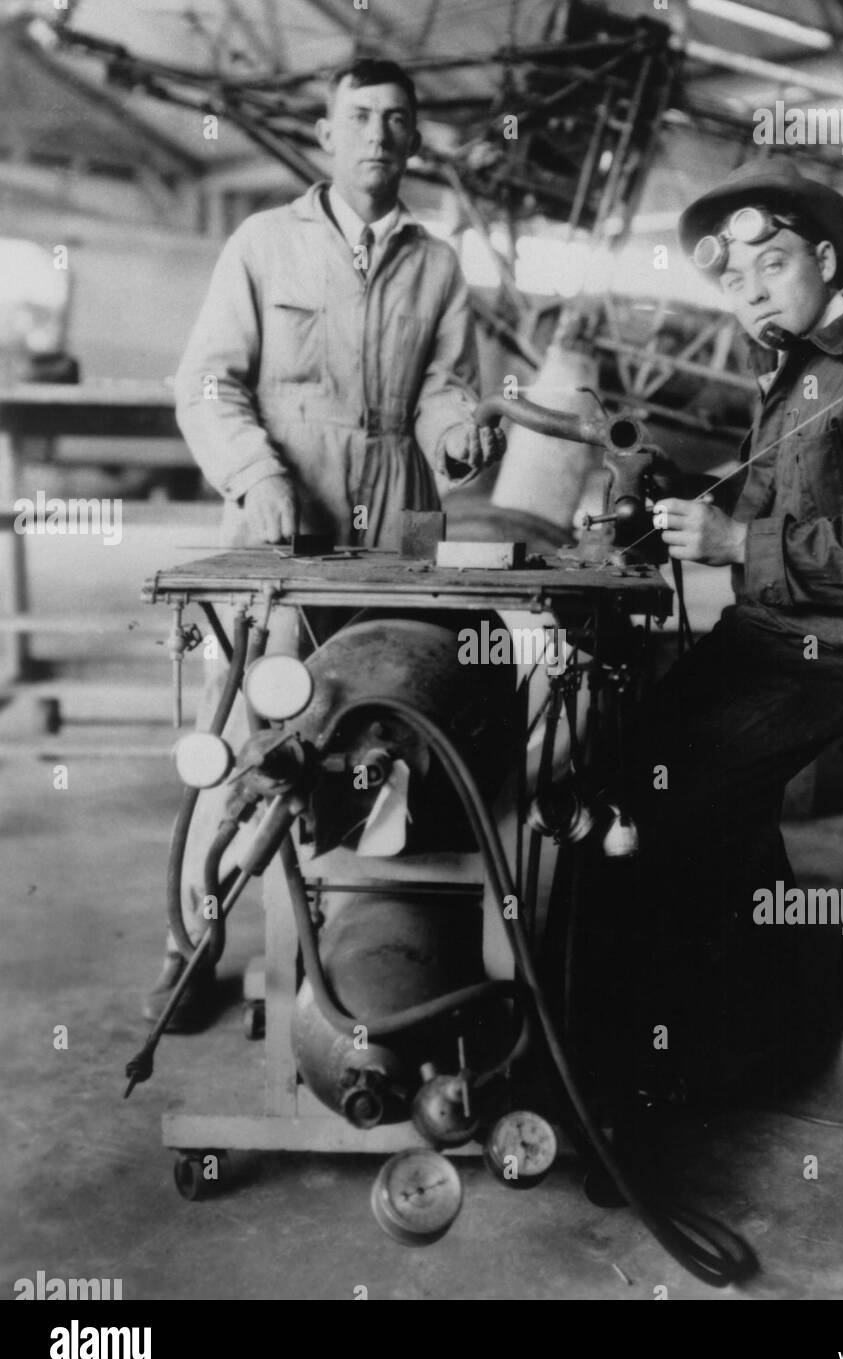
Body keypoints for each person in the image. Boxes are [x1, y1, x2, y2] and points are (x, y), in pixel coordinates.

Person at [145, 58, 504, 1027]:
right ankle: (191, 942)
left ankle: (356, 954)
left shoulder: (436, 263)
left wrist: (459, 430)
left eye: (397, 118)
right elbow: (208, 384)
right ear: (326, 136)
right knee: (241, 740)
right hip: (280, 542)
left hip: (399, 544)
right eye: (359, 117)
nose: (379, 134)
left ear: (415, 139)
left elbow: (444, 389)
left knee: (381, 735)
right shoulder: (263, 245)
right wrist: (258, 474)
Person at [631, 157, 843, 1099]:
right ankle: (742, 992)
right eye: (735, 282)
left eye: (772, 266)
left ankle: (742, 1043)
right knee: (628, 754)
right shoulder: (791, 376)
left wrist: (737, 540)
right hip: (780, 632)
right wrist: (666, 498)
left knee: (688, 787)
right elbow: (760, 499)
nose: (750, 294)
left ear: (826, 258)